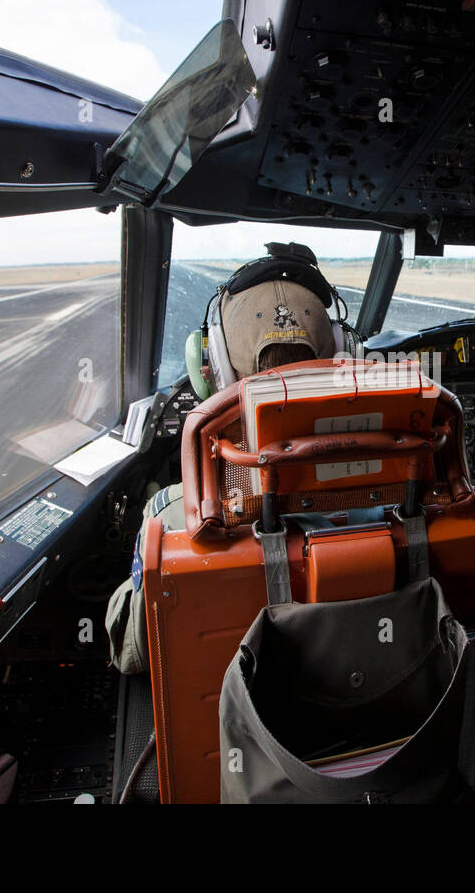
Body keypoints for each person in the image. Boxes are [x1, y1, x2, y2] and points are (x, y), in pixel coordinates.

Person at [104, 244, 341, 673]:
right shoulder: (406, 492)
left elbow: (131, 652)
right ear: (344, 354)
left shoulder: (176, 516)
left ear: (213, 367)